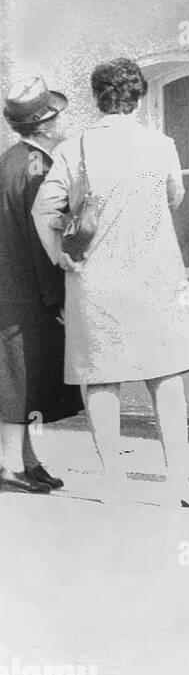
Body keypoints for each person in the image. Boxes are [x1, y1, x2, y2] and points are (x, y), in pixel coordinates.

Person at [32, 58, 189, 507]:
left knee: (103, 381)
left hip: (97, 280)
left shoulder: (76, 149)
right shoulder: (162, 144)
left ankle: (114, 480)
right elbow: (174, 197)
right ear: (140, 96)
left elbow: (44, 210)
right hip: (155, 278)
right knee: (165, 376)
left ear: (97, 97)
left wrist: (63, 257)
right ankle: (178, 484)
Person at [0, 78, 83, 493]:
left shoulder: (9, 160)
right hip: (26, 290)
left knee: (24, 377)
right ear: (46, 124)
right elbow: (42, 237)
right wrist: (56, 295)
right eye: (57, 116)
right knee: (19, 378)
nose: (62, 122)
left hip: (11, 287)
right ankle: (11, 465)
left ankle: (27, 460)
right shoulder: (38, 167)